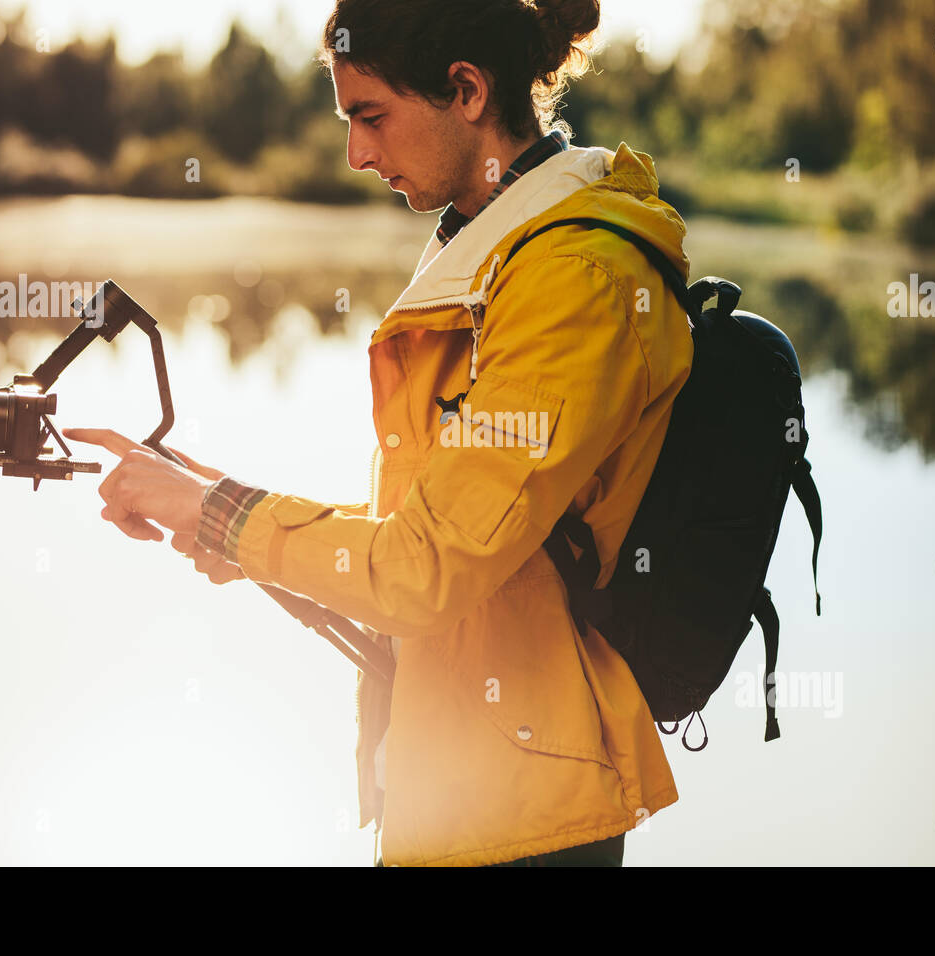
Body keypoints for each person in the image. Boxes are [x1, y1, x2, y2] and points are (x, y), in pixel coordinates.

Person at [63, 0, 693, 867]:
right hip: (448, 789)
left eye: (370, 116)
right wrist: (222, 514)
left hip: (525, 824)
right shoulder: (488, 245)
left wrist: (223, 515)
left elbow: (420, 571)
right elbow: (433, 533)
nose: (356, 153)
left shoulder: (574, 280)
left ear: (466, 92)